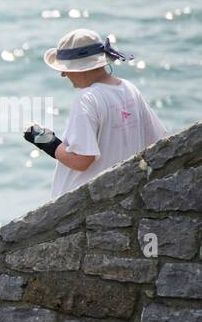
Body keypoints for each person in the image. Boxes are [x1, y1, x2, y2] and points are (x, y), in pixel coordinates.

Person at [25, 28, 165, 198]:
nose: (63, 74)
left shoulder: (87, 98)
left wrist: (45, 140)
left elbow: (82, 160)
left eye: (66, 68)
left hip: (85, 201)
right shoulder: (129, 89)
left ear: (81, 68)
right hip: (123, 193)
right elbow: (154, 141)